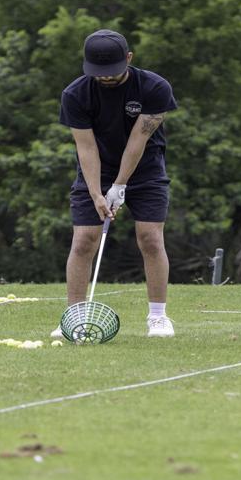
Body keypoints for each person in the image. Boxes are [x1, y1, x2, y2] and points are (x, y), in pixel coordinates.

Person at [56, 29, 178, 338]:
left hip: (145, 170)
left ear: (128, 58)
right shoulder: (76, 94)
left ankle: (158, 317)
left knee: (150, 238)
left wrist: (120, 185)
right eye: (99, 74)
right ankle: (73, 318)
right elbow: (86, 147)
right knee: (84, 240)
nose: (106, 79)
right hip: (94, 170)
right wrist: (97, 193)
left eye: (112, 72)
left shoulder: (154, 88)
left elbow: (139, 140)